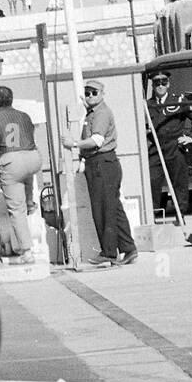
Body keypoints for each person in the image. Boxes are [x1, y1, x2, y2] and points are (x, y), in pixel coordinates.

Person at [64, 79, 137, 267]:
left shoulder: (101, 113)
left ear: (102, 94)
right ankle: (128, 249)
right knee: (113, 209)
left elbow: (96, 140)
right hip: (98, 163)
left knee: (104, 210)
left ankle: (109, 252)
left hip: (102, 163)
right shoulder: (91, 114)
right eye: (87, 93)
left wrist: (73, 144)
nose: (90, 96)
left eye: (94, 93)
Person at [0, 85, 43, 265]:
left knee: (17, 210)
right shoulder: (25, 116)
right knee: (25, 173)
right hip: (33, 158)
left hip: (11, 163)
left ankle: (27, 251)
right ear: (12, 100)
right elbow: (27, 142)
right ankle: (30, 200)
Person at [145, 70, 192, 217]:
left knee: (179, 182)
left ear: (168, 84)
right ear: (153, 85)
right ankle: (155, 215)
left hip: (174, 147)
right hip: (155, 148)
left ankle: (180, 214)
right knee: (152, 181)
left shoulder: (178, 100)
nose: (160, 86)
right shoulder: (147, 105)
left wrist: (191, 137)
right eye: (157, 83)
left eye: (163, 82)